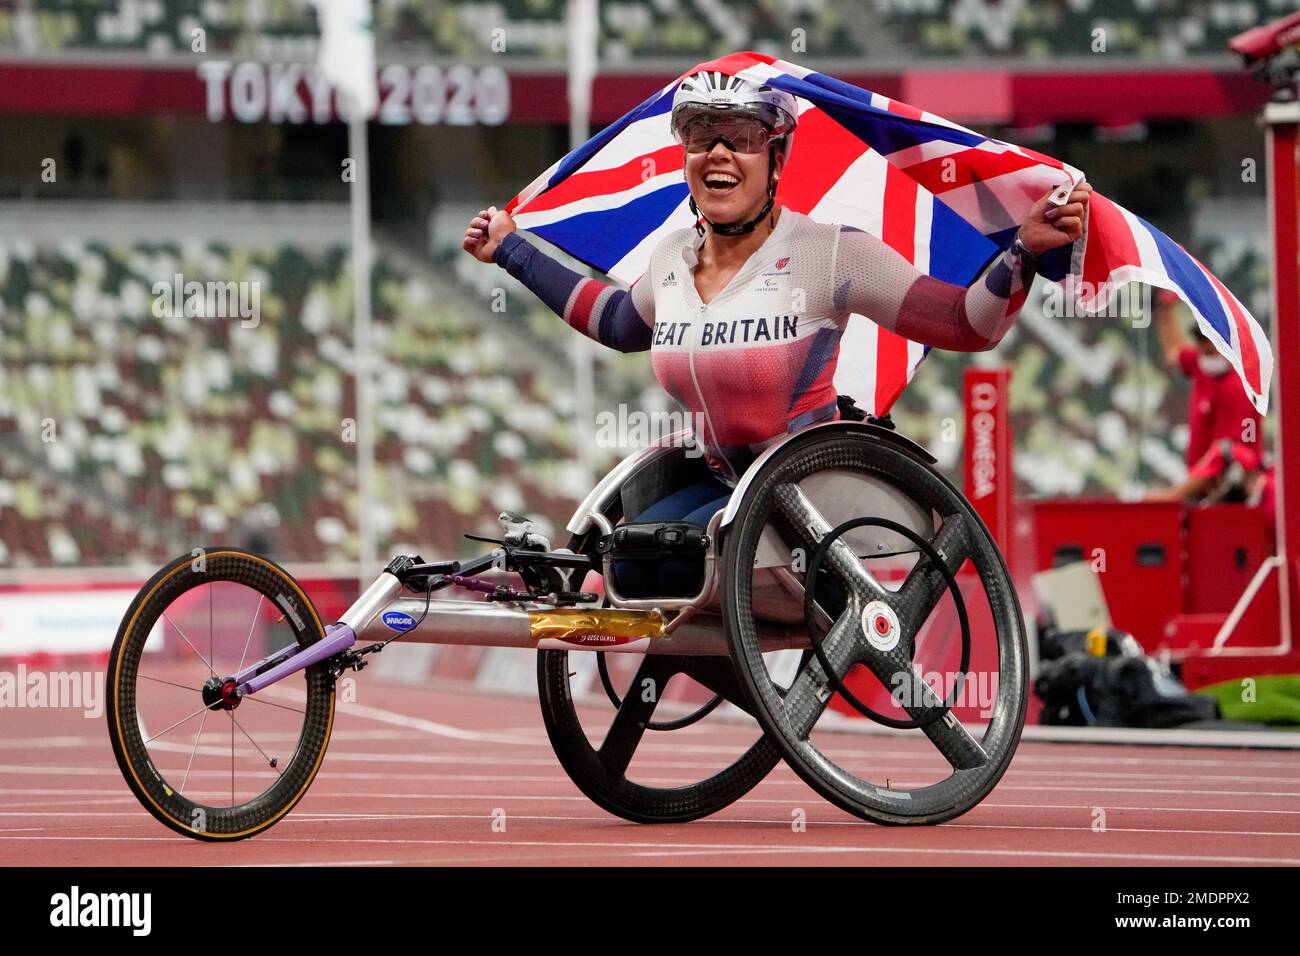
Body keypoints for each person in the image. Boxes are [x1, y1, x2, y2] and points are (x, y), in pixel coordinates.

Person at [464, 71, 1091, 596]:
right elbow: (616, 322)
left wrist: (1023, 253)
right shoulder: (672, 257)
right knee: (622, 564)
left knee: (659, 565)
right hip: (721, 482)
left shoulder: (831, 254)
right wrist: (511, 250)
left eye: (740, 138)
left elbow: (961, 323)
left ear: (777, 160)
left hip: (808, 494)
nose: (717, 153)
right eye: (701, 137)